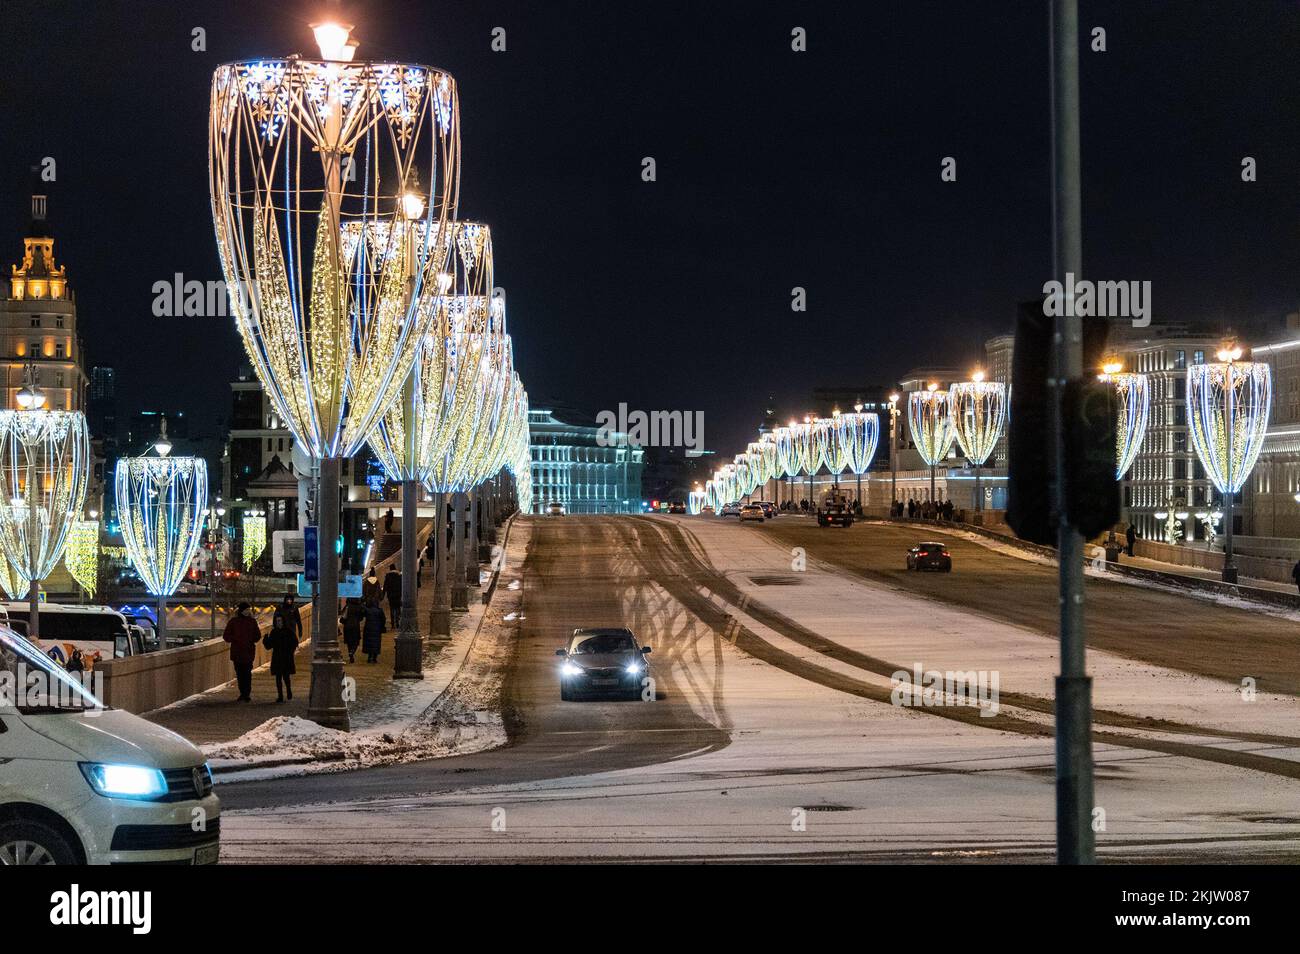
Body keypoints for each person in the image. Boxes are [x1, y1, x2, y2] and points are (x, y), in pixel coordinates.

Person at [222, 603, 261, 702]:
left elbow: (257, 635)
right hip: (238, 652)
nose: (248, 611)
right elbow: (226, 636)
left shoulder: (252, 622)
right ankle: (243, 693)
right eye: (246, 610)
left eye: (248, 610)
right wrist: (236, 639)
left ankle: (246, 693)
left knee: (247, 673)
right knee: (240, 674)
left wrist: (250, 639)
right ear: (241, 610)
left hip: (247, 651)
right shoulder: (234, 622)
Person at [263, 611, 298, 703]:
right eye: (277, 621)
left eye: (280, 621)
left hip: (286, 657)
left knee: (286, 677)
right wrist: (265, 639)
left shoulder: (288, 631)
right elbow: (269, 646)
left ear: (283, 621)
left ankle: (288, 691)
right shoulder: (274, 632)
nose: (279, 623)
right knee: (278, 678)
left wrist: (290, 651)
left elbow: (294, 642)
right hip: (277, 657)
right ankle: (280, 696)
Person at [362, 596, 386, 664]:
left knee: (369, 643)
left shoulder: (368, 611)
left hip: (368, 628)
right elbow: (383, 619)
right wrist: (382, 626)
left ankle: (370, 657)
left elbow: (363, 613)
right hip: (377, 629)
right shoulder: (379, 611)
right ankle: (375, 657)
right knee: (376, 643)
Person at [341, 598, 365, 662]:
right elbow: (361, 617)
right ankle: (352, 652)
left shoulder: (347, 607)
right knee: (356, 641)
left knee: (349, 641)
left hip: (347, 626)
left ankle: (350, 652)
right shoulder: (359, 607)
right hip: (356, 626)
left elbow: (343, 616)